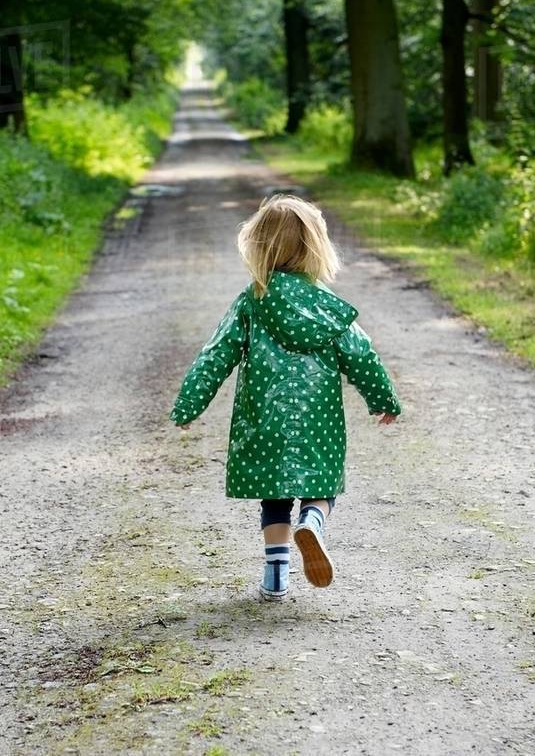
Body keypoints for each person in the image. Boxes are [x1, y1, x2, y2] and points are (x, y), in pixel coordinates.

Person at [170, 194, 401, 601]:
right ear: (316, 248)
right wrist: (382, 399)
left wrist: (190, 404)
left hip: (264, 418)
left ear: (258, 247)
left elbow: (216, 353)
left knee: (274, 497)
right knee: (321, 483)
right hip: (318, 419)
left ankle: (275, 577)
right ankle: (313, 519)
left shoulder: (252, 301)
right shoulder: (327, 308)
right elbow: (361, 355)